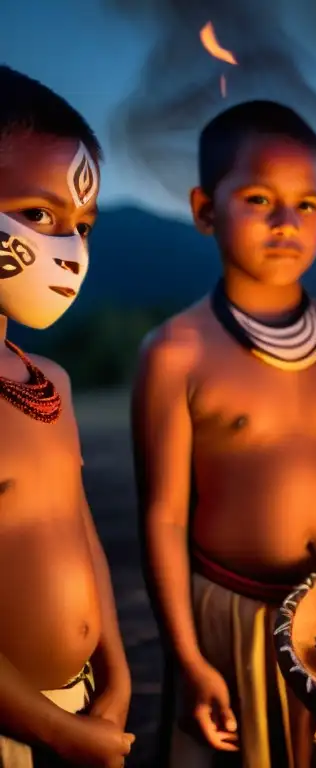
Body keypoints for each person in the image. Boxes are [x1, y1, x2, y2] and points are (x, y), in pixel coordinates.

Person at [132, 100, 316, 768]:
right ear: (203, 209)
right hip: (229, 611)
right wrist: (189, 658)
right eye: (259, 199)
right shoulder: (177, 352)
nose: (287, 223)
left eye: (308, 204)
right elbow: (163, 518)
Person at [0, 66, 134, 767]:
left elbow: (80, 529)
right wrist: (57, 732)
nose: (70, 250)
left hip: (85, 704)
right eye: (39, 215)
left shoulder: (46, 379)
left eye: (82, 224)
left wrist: (116, 673)